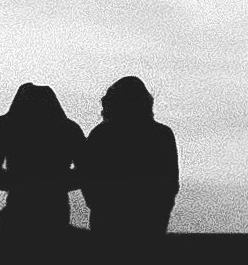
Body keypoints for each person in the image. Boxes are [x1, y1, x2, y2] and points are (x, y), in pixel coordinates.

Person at [77, 78, 181, 239]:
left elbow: (88, 177)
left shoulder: (101, 134)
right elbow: (170, 182)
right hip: (151, 222)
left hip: (108, 222)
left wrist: (100, 205)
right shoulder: (162, 134)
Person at [0, 82, 84, 234]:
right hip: (51, 211)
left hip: (22, 212)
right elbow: (88, 170)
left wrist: (19, 184)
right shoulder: (68, 130)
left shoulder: (7, 128)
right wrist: (54, 184)